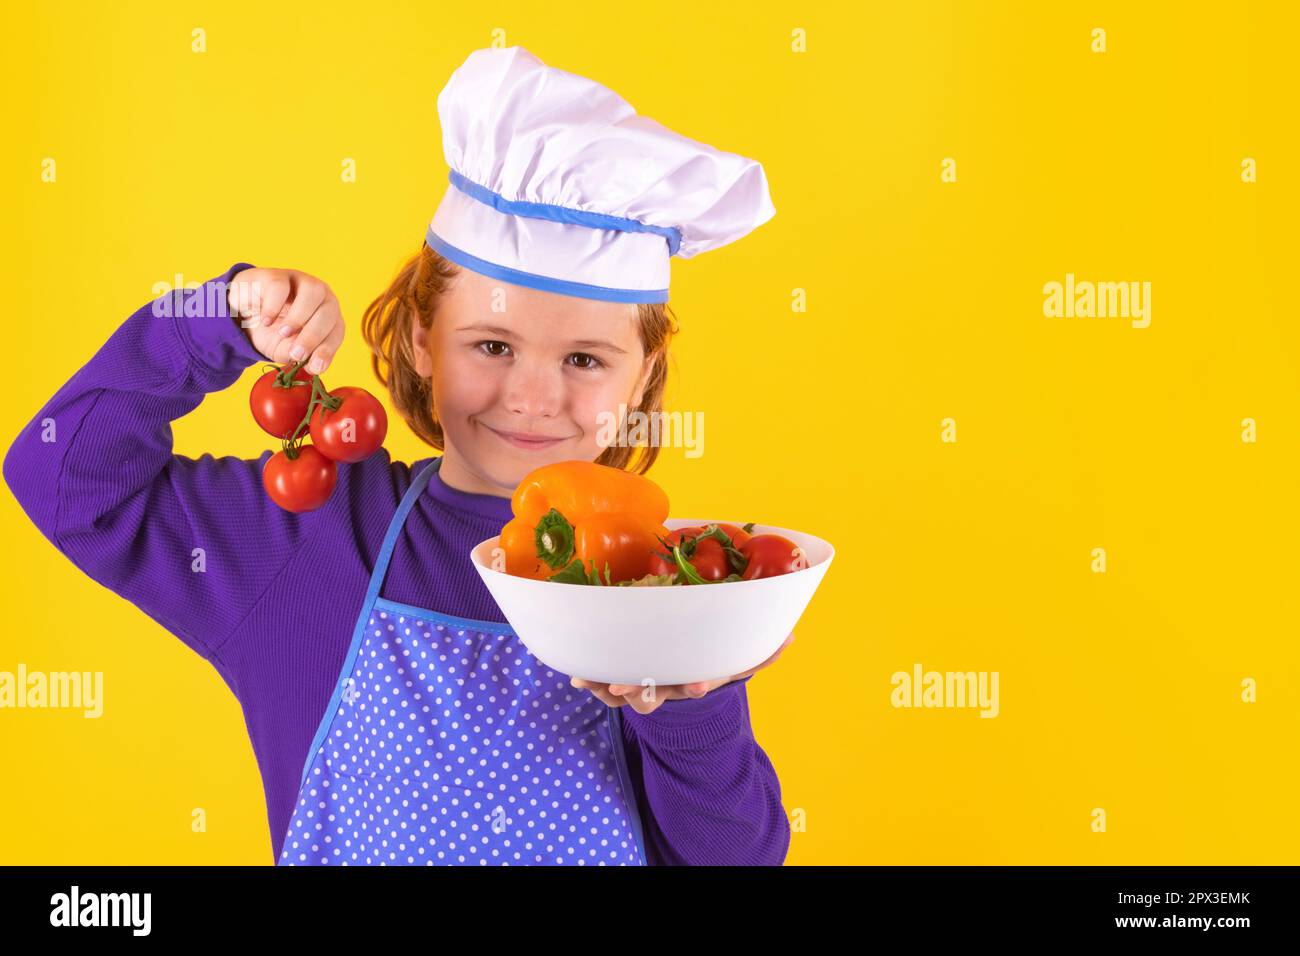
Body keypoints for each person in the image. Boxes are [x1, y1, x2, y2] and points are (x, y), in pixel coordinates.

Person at [4, 45, 787, 865]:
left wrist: (692, 706)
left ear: (645, 374)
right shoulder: (306, 537)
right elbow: (62, 476)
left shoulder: (666, 585)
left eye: (585, 360)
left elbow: (734, 857)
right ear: (421, 339)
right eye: (490, 344)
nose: (533, 397)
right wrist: (220, 318)